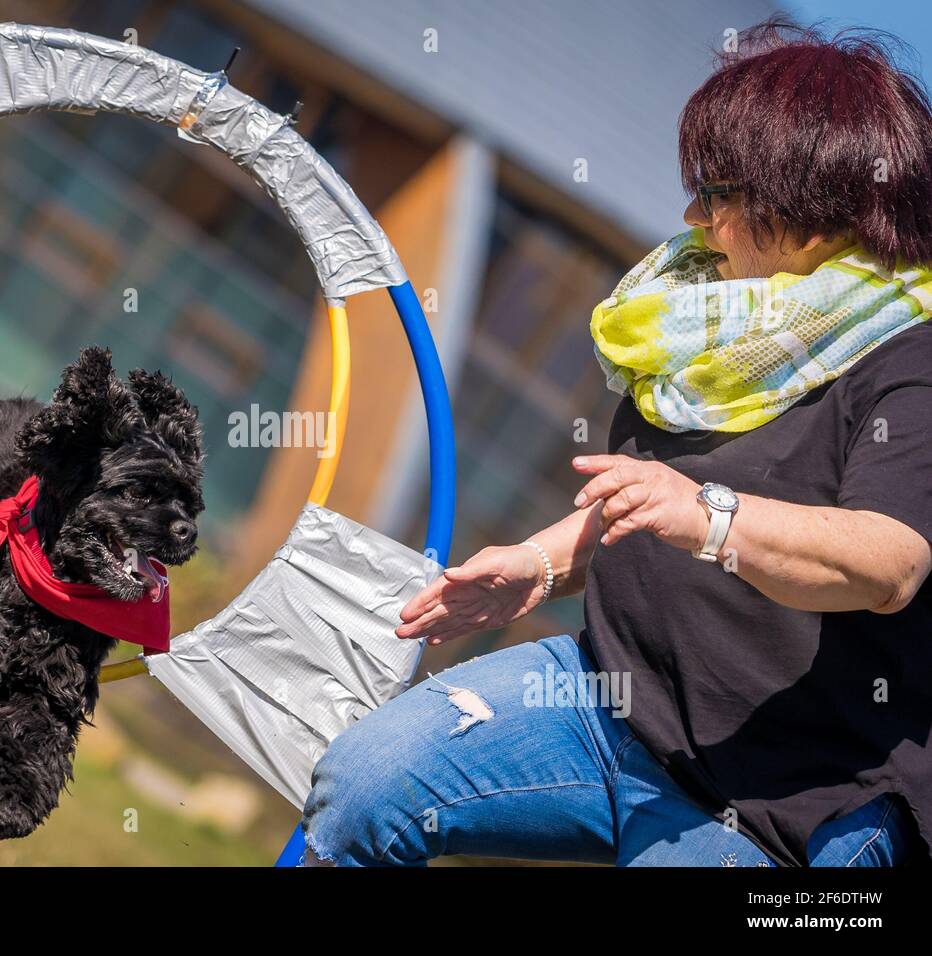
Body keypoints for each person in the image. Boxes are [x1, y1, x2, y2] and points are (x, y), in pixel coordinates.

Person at [301, 19, 932, 866]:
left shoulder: (909, 358)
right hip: (609, 698)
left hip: (791, 803)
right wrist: (541, 565)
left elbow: (889, 565)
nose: (692, 215)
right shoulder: (704, 319)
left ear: (812, 219)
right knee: (365, 785)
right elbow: (653, 497)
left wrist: (709, 516)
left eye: (718, 192)